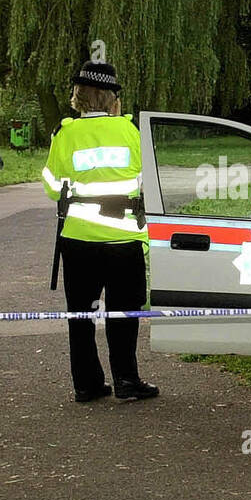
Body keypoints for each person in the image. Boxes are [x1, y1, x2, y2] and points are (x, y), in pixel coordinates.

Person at [41, 61, 159, 403]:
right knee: (124, 313)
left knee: (81, 315)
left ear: (78, 97)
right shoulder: (130, 132)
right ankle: (126, 380)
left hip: (78, 242)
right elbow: (147, 180)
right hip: (124, 241)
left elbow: (51, 186)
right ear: (111, 98)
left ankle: (87, 385)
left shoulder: (65, 134)